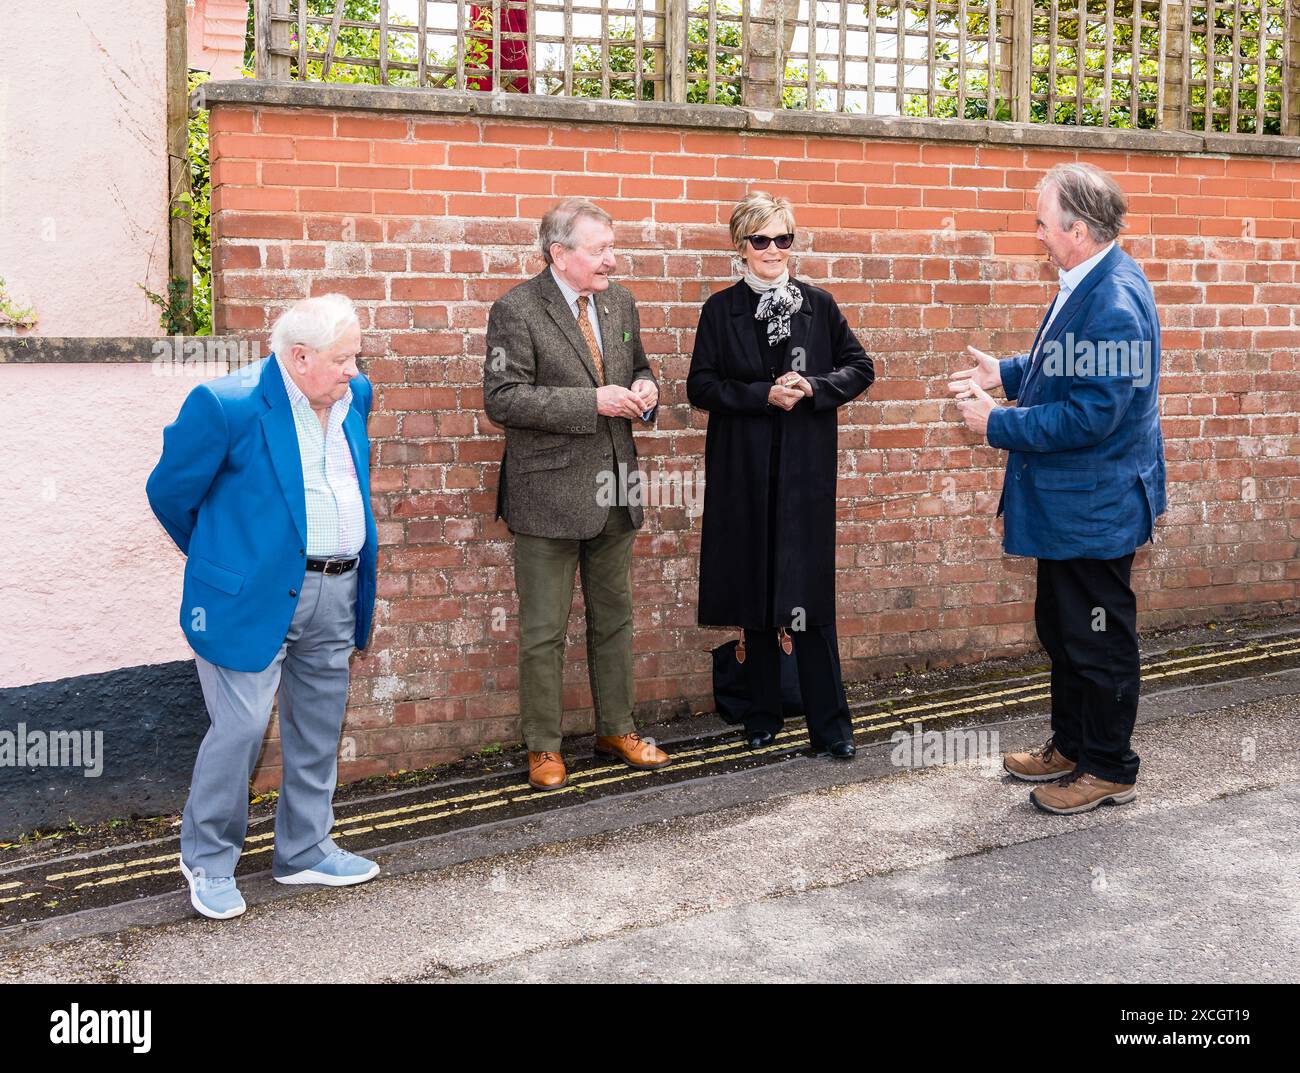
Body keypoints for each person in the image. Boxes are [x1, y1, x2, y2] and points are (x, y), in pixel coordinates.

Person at [146, 294, 380, 919]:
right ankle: (208, 860)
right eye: (342, 359)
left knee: (318, 723)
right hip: (247, 600)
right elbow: (170, 493)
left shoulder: (354, 398)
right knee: (243, 726)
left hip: (338, 586)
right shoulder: (227, 404)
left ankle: (305, 849)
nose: (354, 370)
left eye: (355, 357)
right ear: (299, 357)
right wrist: (226, 562)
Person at [949, 162, 1166, 815]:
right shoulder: (1089, 277)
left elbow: (1090, 415)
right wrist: (1008, 370)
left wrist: (997, 422)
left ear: (1075, 229)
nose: (1037, 234)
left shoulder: (1115, 303)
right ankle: (1072, 744)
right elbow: (1068, 363)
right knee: (1064, 626)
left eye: (1043, 223)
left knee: (1096, 637)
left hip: (1094, 508)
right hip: (1074, 506)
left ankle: (1108, 766)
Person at [483, 197, 671, 791]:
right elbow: (503, 398)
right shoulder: (516, 309)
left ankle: (616, 728)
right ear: (558, 253)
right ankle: (543, 746)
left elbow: (638, 366)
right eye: (600, 249)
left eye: (613, 247)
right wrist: (592, 402)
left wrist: (646, 387)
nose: (612, 260)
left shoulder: (620, 302)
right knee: (544, 630)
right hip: (546, 496)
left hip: (616, 486)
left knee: (615, 619)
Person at [686, 192, 875, 757]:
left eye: (783, 239)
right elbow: (701, 387)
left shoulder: (819, 304)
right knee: (756, 595)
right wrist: (760, 394)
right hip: (742, 472)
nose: (773, 250)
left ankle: (831, 728)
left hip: (802, 475)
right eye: (761, 240)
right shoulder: (721, 310)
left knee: (808, 598)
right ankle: (762, 716)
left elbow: (861, 366)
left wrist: (815, 387)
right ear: (741, 247)